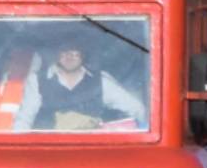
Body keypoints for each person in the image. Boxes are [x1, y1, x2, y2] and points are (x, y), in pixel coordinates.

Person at [18, 41, 148, 131]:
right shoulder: (37, 80)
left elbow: (137, 109)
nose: (70, 56)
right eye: (65, 51)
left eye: (75, 53)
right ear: (57, 54)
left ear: (83, 56)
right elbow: (24, 120)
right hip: (50, 152)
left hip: (91, 153)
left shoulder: (101, 81)